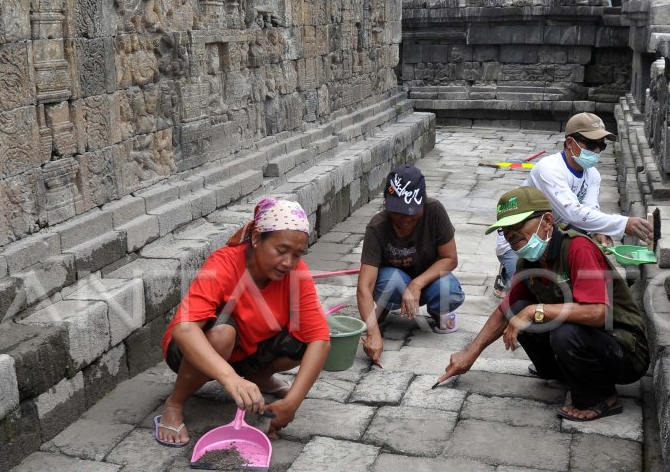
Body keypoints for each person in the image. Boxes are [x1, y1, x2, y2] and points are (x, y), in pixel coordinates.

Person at [441, 187, 649, 421]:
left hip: (625, 350)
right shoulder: (529, 261)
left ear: (547, 220)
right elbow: (505, 311)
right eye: (506, 230)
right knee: (519, 311)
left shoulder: (578, 248)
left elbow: (599, 313)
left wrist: (536, 311)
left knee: (562, 330)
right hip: (590, 340)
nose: (511, 235)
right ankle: (560, 373)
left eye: (518, 226)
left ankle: (602, 397)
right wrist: (470, 354)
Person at [155, 198, 331, 444]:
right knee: (221, 334)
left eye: (297, 255)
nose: (288, 263)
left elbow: (320, 341)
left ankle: (258, 379)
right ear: (257, 238)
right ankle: (175, 403)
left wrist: (293, 402)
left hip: (246, 352)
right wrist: (230, 379)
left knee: (302, 341)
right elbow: (185, 330)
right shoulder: (223, 264)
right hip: (195, 352)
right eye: (281, 251)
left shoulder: (296, 274)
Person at [493, 113, 654, 297]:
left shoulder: (592, 174)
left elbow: (590, 208)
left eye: (602, 145)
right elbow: (573, 212)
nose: (597, 151)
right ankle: (507, 271)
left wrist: (598, 232)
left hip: (554, 234)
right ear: (570, 143)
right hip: (524, 238)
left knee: (565, 285)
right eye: (592, 145)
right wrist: (623, 224)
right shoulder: (549, 168)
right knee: (526, 294)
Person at [357, 165, 464, 366]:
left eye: (412, 213)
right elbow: (365, 285)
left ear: (423, 202)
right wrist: (373, 333)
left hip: (430, 280)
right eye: (398, 212)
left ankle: (436, 310)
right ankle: (386, 307)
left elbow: (450, 258)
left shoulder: (435, 211)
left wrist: (416, 284)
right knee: (387, 281)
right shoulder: (377, 226)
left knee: (449, 291)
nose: (405, 219)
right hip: (395, 281)